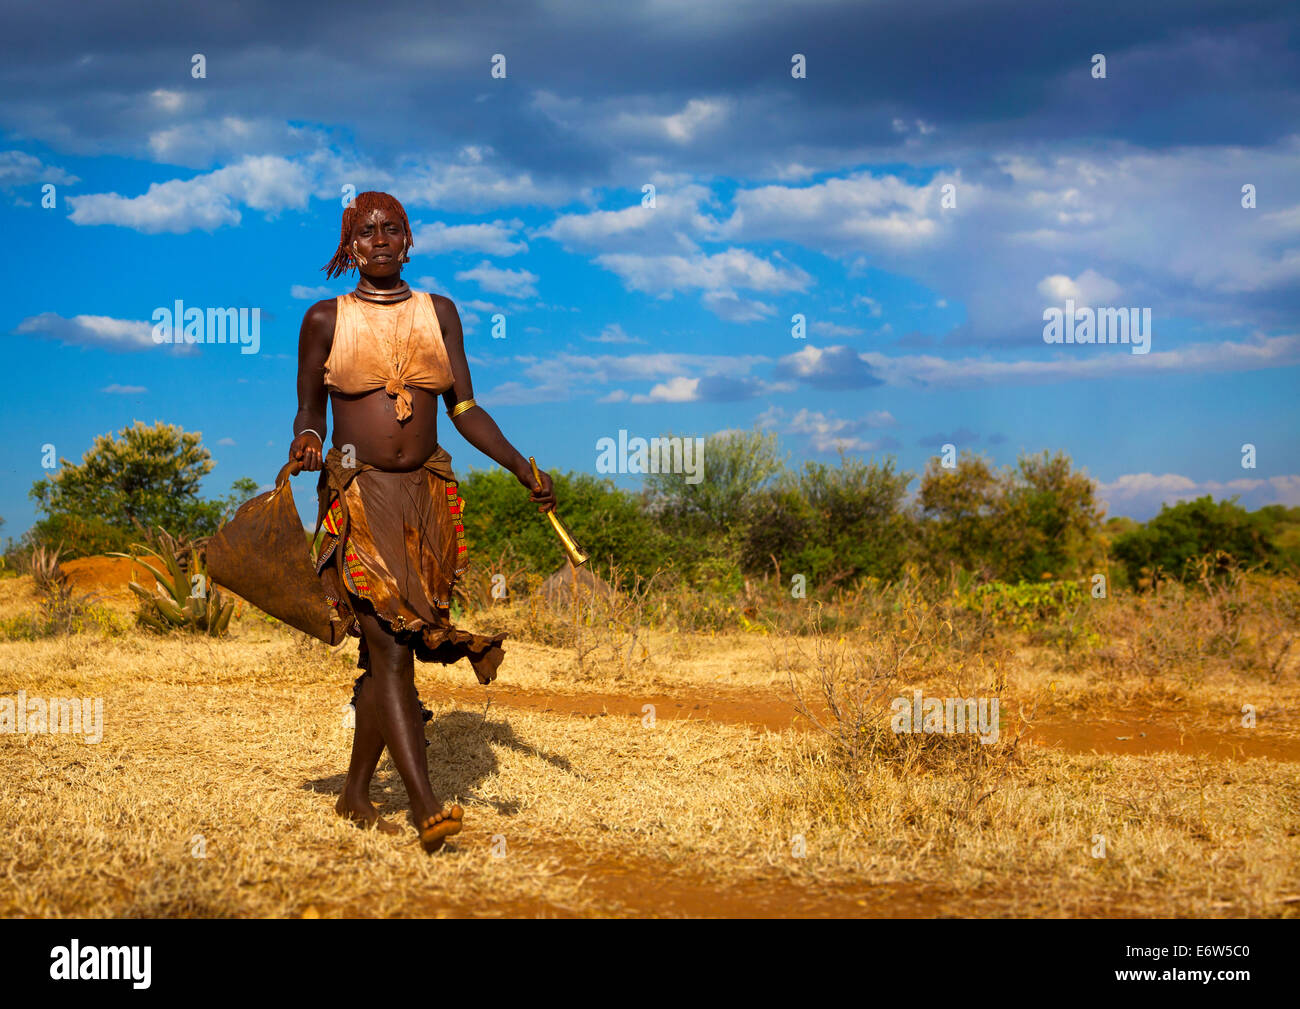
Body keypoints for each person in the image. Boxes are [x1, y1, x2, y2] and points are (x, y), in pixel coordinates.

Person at [289, 191, 556, 852]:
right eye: (365, 232)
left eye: (391, 230)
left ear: (408, 239)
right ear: (349, 247)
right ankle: (426, 807)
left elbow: (464, 408)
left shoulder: (440, 313)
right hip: (357, 494)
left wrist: (522, 466)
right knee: (389, 645)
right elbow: (309, 411)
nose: (379, 240)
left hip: (426, 500)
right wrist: (306, 440)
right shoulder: (326, 319)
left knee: (391, 650)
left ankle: (354, 795)